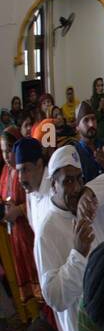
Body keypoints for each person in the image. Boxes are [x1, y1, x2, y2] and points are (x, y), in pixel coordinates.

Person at [33, 146, 104, 331]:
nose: (74, 188)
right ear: (53, 184)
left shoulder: (91, 206)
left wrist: (90, 192)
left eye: (78, 179)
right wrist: (78, 255)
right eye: (67, 181)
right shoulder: (47, 231)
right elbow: (54, 298)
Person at [1, 131, 41, 321]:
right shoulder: (4, 173)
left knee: (37, 272)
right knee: (23, 274)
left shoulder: (25, 170)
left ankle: (46, 313)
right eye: (3, 151)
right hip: (14, 233)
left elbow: (36, 198)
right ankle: (34, 317)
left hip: (29, 232)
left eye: (9, 150)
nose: (6, 156)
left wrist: (19, 210)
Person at [71, 101, 104, 184]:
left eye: (93, 119)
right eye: (86, 120)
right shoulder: (74, 153)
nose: (91, 124)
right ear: (77, 127)